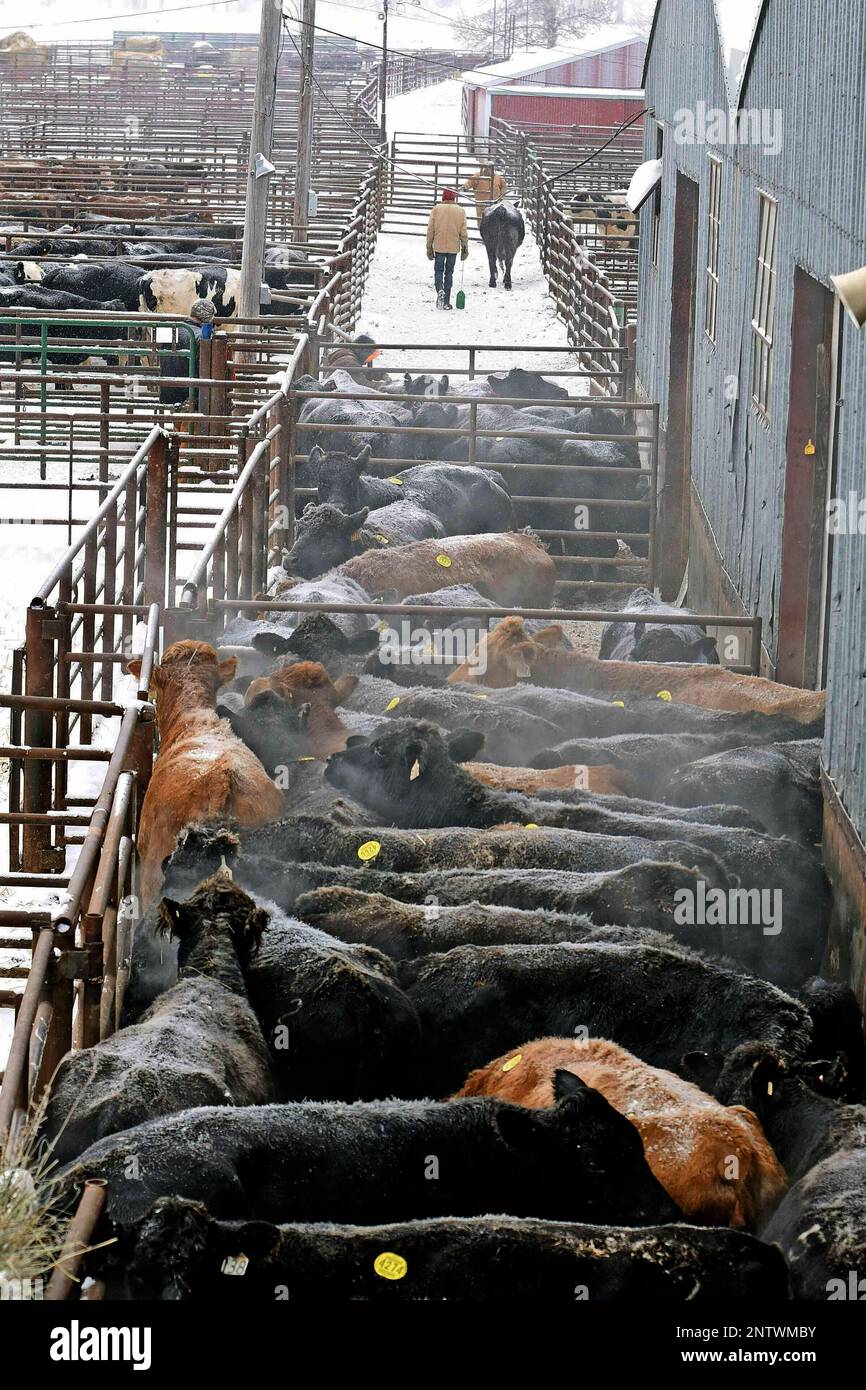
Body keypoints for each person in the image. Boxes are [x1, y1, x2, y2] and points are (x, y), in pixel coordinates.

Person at [426, 187, 468, 310]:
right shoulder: (461, 211)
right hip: (453, 248)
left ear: (443, 197)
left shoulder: (436, 209)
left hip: (439, 247)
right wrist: (465, 248)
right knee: (449, 272)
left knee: (438, 270)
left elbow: (430, 230)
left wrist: (429, 247)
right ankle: (446, 301)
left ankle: (439, 289)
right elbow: (463, 232)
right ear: (454, 197)